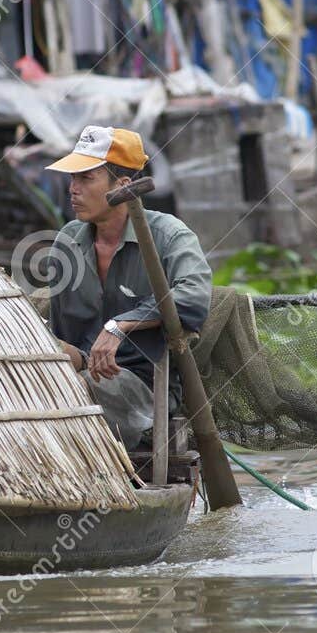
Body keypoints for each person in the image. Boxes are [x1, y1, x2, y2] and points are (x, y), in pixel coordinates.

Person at [43, 125, 213, 448]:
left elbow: (194, 296)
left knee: (76, 390)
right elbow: (64, 332)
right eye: (72, 178)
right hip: (80, 374)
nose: (72, 190)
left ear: (122, 186)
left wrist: (120, 325)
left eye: (85, 178)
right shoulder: (66, 242)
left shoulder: (169, 236)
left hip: (146, 389)